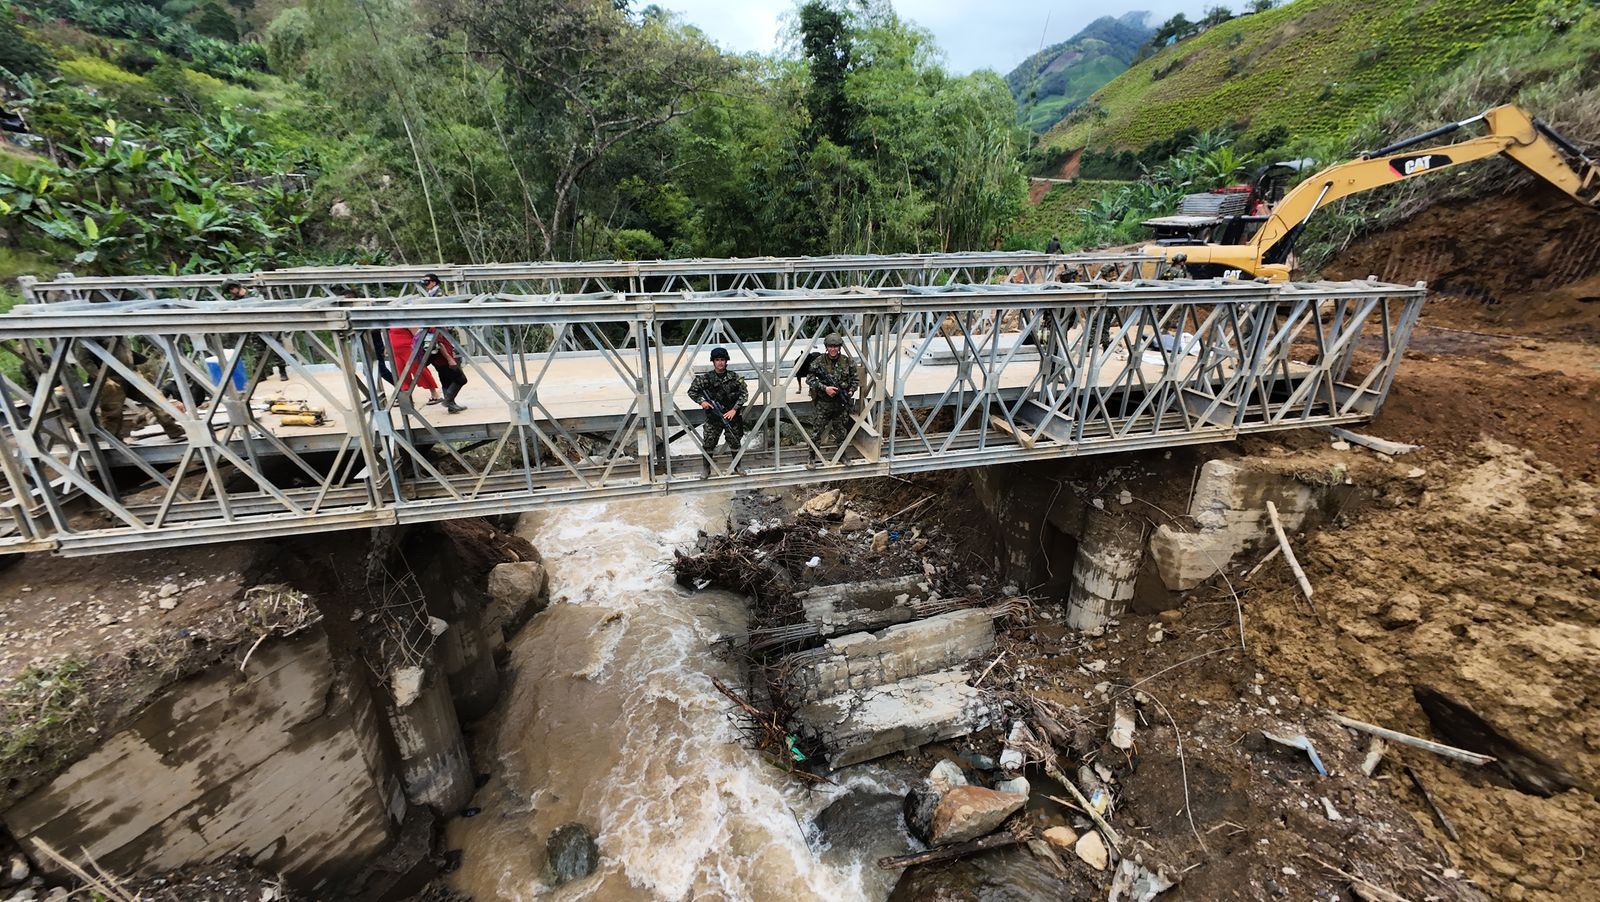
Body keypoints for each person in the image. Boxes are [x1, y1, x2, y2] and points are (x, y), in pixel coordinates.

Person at [686, 347, 747, 477]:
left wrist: (734, 409)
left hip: (731, 416)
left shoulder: (734, 377)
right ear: (713, 362)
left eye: (722, 360)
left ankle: (738, 467)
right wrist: (702, 401)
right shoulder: (706, 378)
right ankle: (706, 469)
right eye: (717, 360)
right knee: (709, 443)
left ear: (726, 361)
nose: (720, 363)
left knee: (735, 441)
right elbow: (692, 391)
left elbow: (744, 394)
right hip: (714, 417)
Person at [805, 333, 858, 464]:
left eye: (835, 346)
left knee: (841, 431)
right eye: (830, 346)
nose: (833, 349)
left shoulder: (847, 361)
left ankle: (842, 455)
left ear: (839, 347)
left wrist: (850, 392)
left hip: (840, 404)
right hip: (824, 403)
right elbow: (809, 379)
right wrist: (824, 388)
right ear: (826, 347)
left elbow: (855, 379)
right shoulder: (819, 361)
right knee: (817, 432)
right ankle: (812, 456)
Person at [223, 279, 288, 381]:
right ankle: (261, 375)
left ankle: (282, 371)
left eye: (231, 289)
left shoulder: (255, 294)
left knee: (277, 349)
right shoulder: (235, 301)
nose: (231, 292)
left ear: (236, 287)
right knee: (259, 352)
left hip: (268, 323)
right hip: (254, 327)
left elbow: (267, 306)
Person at [388, 325, 443, 408]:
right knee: (401, 374)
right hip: (396, 351)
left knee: (420, 370)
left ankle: (434, 394)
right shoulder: (390, 320)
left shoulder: (405, 320)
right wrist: (387, 347)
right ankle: (407, 398)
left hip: (409, 349)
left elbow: (416, 335)